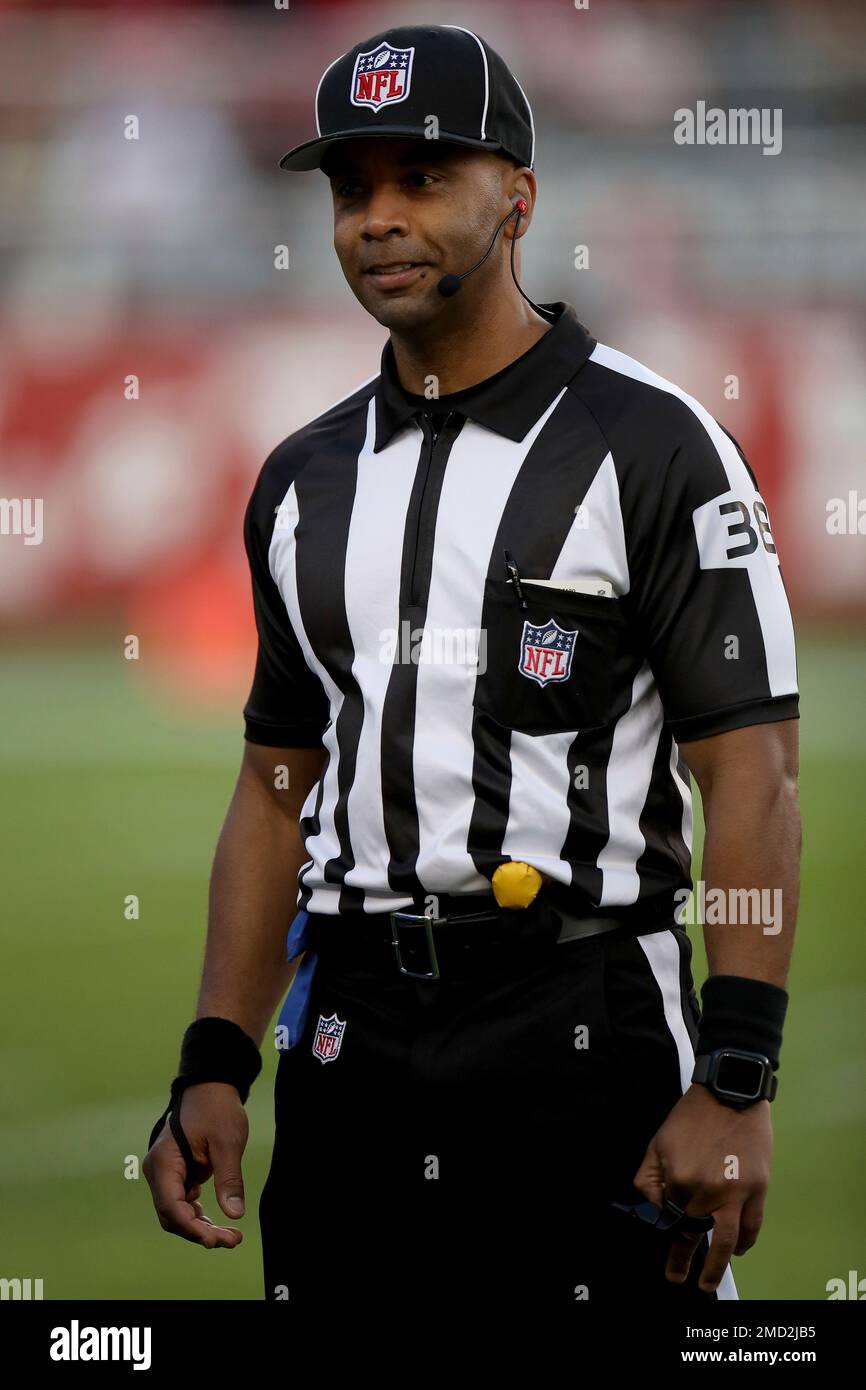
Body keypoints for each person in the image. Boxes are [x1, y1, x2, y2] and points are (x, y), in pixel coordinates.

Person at [144, 25, 800, 1314]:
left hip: (580, 1019)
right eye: (351, 189)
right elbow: (278, 787)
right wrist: (215, 1059)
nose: (380, 220)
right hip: (353, 1040)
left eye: (423, 179)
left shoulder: (654, 445)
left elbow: (752, 775)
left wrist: (735, 1081)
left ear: (519, 198)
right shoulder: (301, 481)